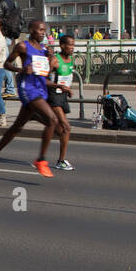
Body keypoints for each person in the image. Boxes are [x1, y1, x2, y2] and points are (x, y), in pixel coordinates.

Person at [0, 20, 61, 176]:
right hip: (28, 89)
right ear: (31, 30)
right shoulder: (23, 46)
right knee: (52, 120)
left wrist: (52, 59)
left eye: (44, 31)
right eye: (40, 30)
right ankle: (41, 160)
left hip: (40, 89)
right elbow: (7, 64)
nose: (43, 33)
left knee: (16, 128)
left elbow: (52, 65)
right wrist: (21, 69)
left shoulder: (44, 49)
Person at [45, 34, 75, 170]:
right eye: (70, 45)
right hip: (53, 96)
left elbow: (66, 79)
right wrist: (58, 86)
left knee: (60, 129)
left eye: (74, 45)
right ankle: (61, 161)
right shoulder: (54, 60)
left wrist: (67, 89)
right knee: (66, 128)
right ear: (62, 45)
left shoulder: (71, 60)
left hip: (62, 97)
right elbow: (44, 80)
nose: (72, 48)